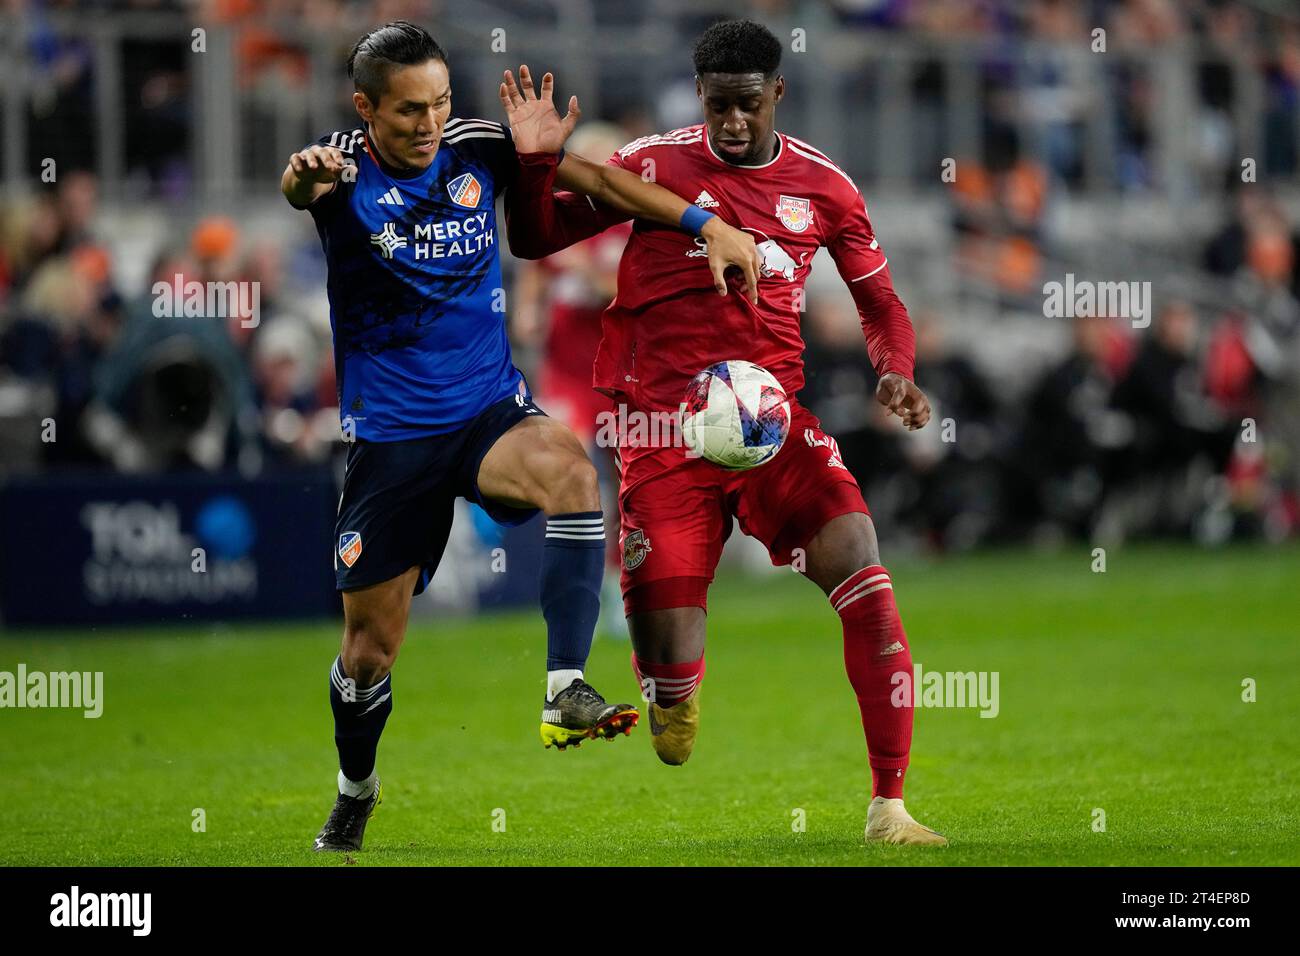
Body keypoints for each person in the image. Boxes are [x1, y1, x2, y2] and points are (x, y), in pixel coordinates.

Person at [280, 21, 761, 852]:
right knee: (367, 655)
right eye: (406, 111)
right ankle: (356, 787)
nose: (429, 123)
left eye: (438, 103)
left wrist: (703, 224)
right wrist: (299, 177)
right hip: (392, 442)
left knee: (573, 476)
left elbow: (602, 185)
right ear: (364, 108)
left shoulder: (475, 145)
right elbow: (298, 187)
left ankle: (564, 688)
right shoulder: (340, 168)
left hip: (485, 413)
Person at [504, 19, 945, 845]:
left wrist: (896, 368)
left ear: (777, 92)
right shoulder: (655, 164)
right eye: (718, 107)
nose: (733, 123)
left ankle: (889, 803)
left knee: (865, 570)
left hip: (772, 425)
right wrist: (534, 164)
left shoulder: (827, 188)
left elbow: (881, 305)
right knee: (671, 712)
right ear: (699, 97)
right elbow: (536, 237)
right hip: (661, 433)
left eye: (747, 105)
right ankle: (671, 687)